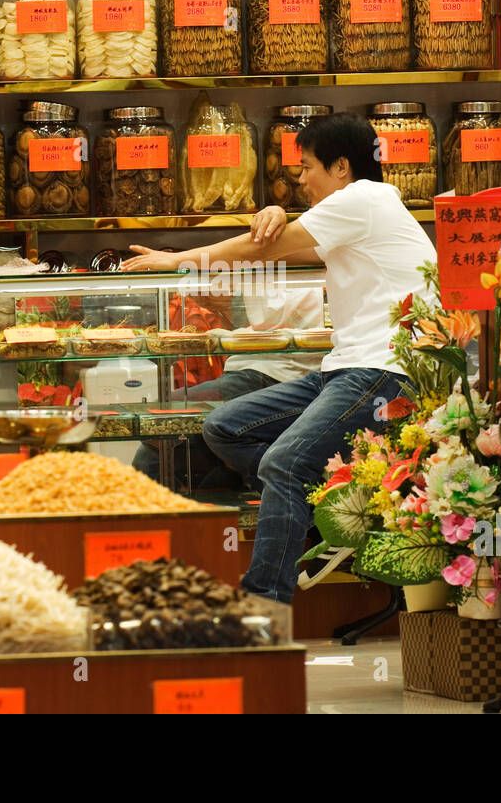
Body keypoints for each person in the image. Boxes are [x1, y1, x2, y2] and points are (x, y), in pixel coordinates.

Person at [122, 113, 437, 602]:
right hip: (345, 369)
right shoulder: (361, 211)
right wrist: (272, 216)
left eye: (308, 166)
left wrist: (175, 260)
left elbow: (262, 248)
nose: (302, 179)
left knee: (285, 465)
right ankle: (329, 497)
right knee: (222, 427)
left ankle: (265, 603)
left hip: (385, 372)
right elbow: (276, 247)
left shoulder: (365, 197)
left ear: (340, 166)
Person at [131, 287, 325, 491]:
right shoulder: (261, 271)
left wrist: (222, 285)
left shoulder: (282, 269)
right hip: (252, 369)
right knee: (160, 437)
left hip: (276, 373)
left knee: (164, 419)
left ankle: (299, 494)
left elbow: (272, 320)